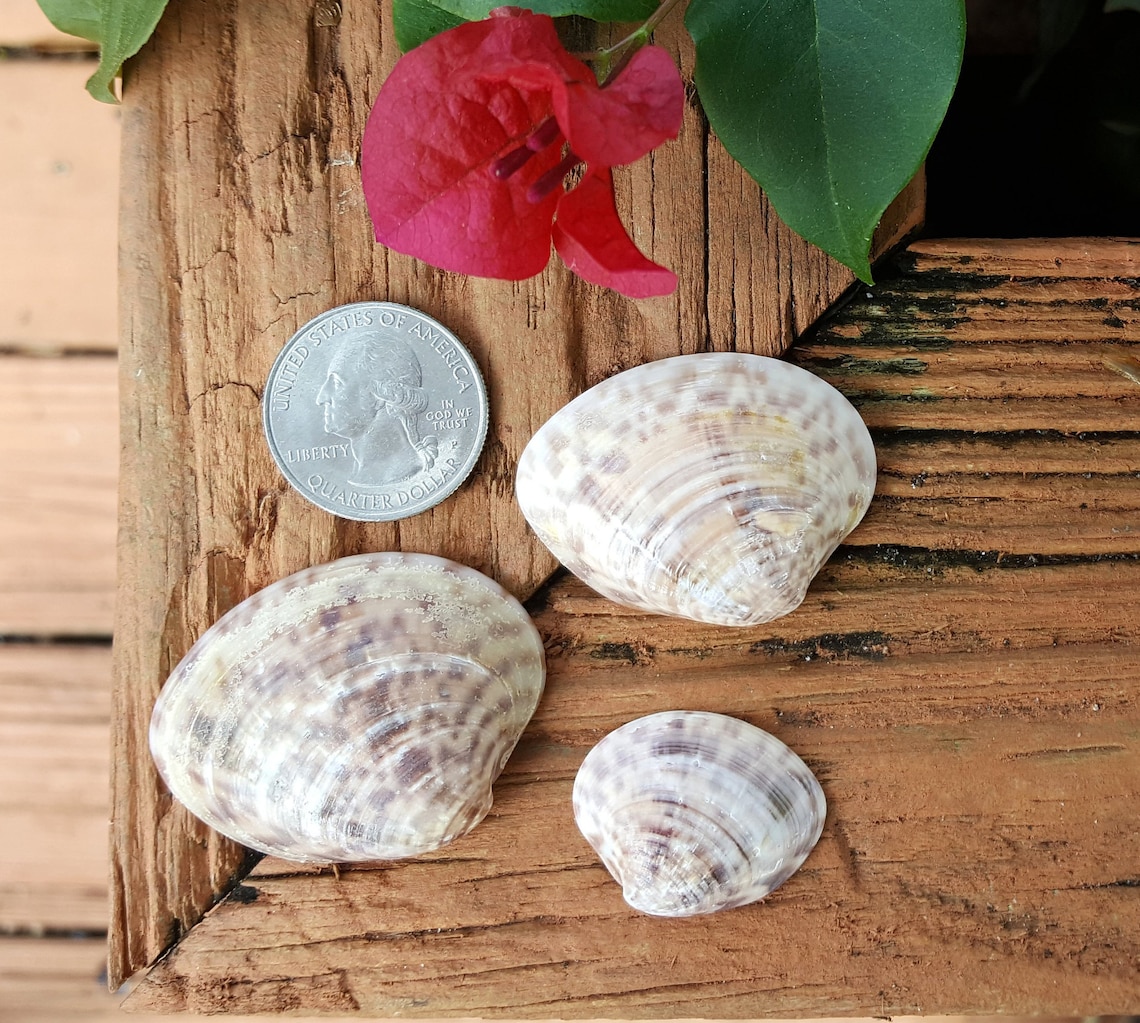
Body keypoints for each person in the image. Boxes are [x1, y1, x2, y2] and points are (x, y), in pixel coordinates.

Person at [316, 331, 438, 487]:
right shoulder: (361, 476)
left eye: (337, 383)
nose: (321, 399)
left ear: (380, 395)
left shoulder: (399, 472)